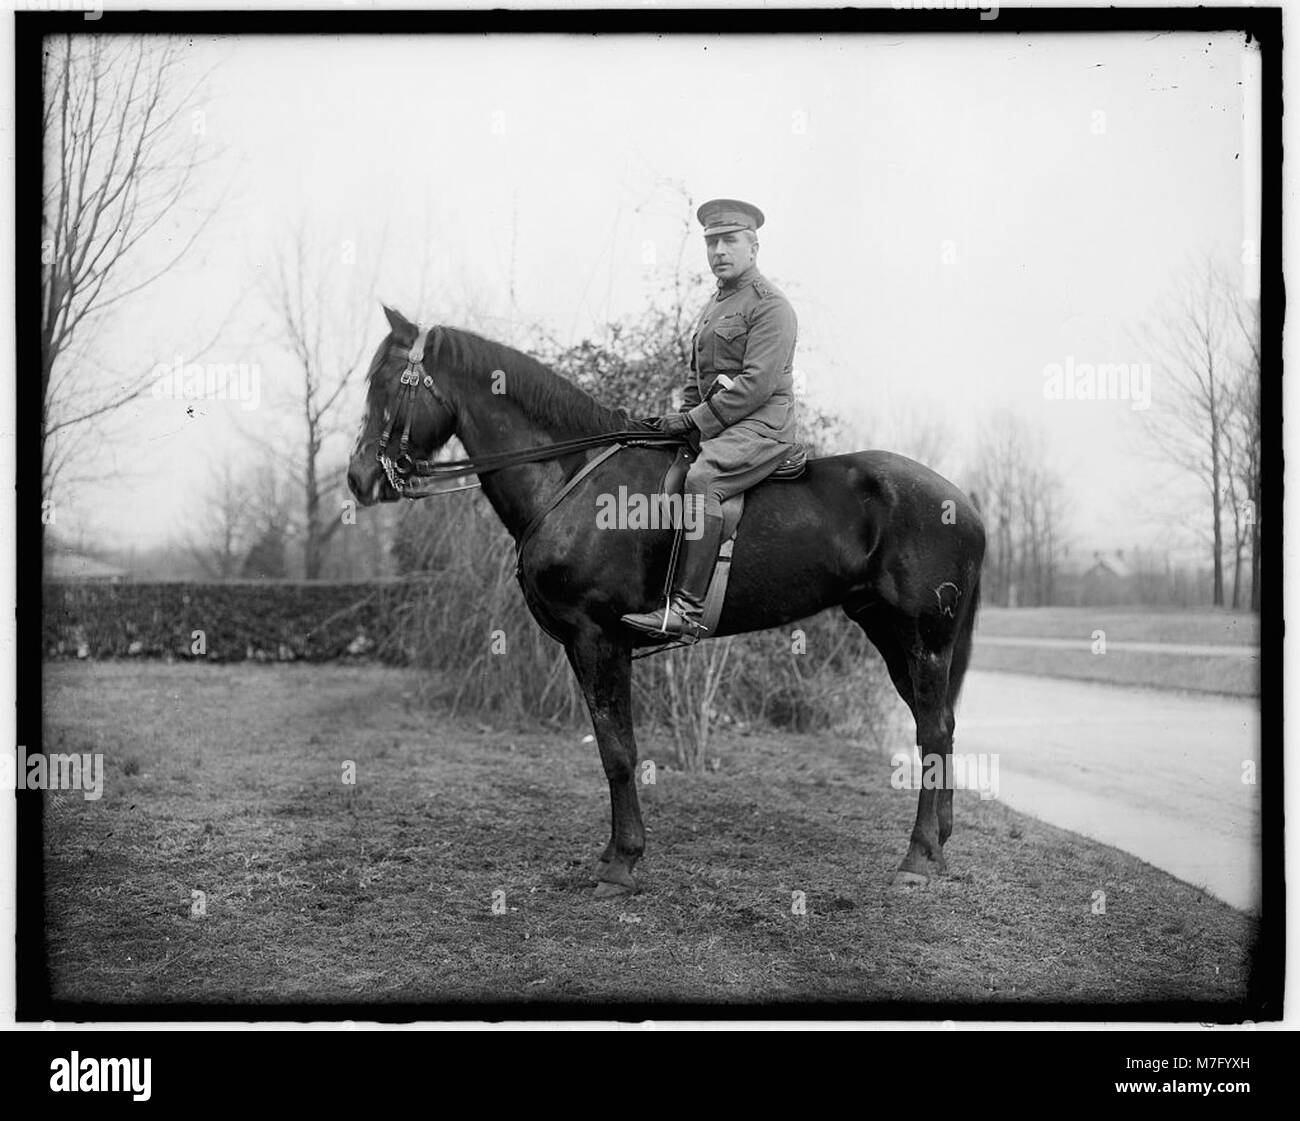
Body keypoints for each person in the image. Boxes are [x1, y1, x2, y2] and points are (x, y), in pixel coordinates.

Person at [622, 198, 800, 641]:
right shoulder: (716, 304)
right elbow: (696, 376)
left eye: (730, 240)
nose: (719, 250)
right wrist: (678, 421)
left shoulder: (771, 307)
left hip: (763, 425)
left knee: (702, 479)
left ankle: (685, 609)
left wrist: (693, 424)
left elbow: (756, 385)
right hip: (722, 422)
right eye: (712, 242)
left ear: (753, 247)